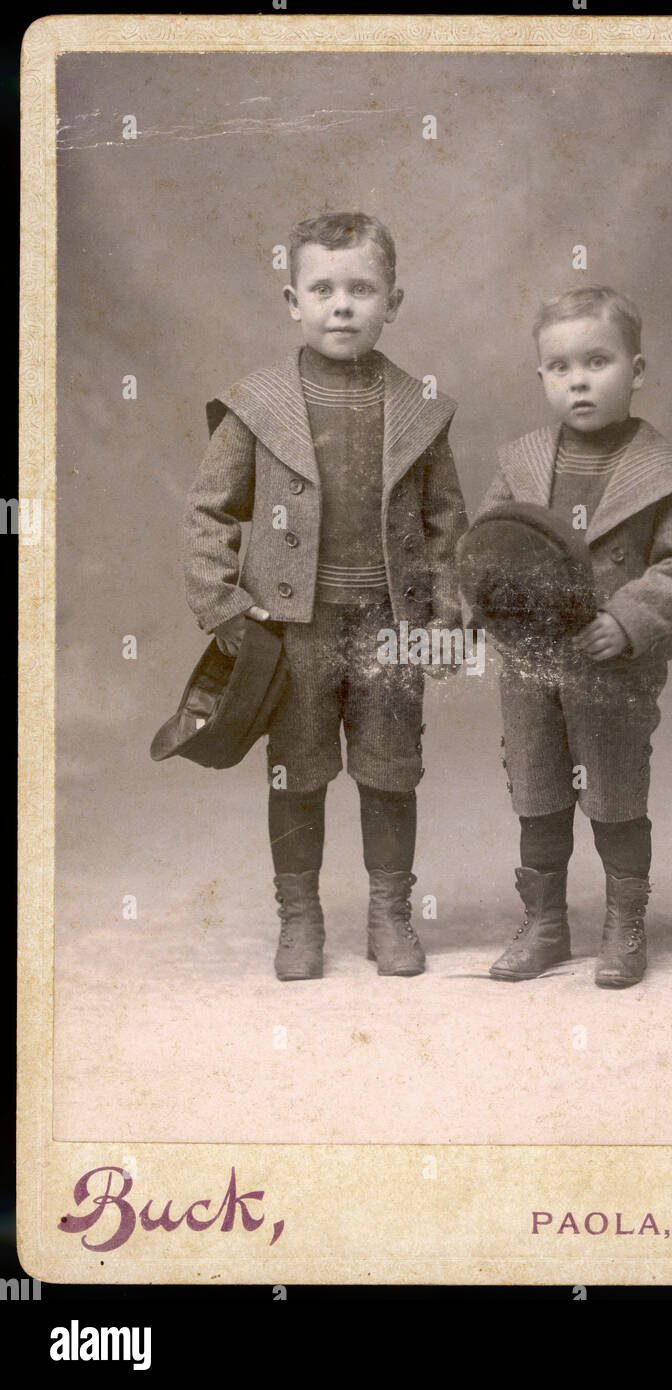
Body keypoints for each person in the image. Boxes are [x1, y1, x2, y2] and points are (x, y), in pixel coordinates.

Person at [183, 212, 467, 981]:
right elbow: (211, 511)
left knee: (390, 770)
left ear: (394, 301)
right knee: (297, 772)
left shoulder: (420, 407)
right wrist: (226, 608)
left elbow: (447, 527)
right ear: (292, 299)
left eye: (362, 289)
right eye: (323, 288)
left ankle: (390, 915)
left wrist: (446, 619)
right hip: (293, 631)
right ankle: (299, 920)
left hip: (390, 626)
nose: (342, 305)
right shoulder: (257, 403)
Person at [478, 286, 672, 988]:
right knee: (536, 787)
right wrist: (483, 604)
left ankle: (624, 924)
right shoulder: (523, 461)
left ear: (637, 371)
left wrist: (626, 619)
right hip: (530, 664)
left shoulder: (666, 475)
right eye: (559, 367)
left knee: (615, 790)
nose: (578, 379)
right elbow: (491, 548)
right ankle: (546, 924)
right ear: (541, 379)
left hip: (612, 668)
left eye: (597, 361)